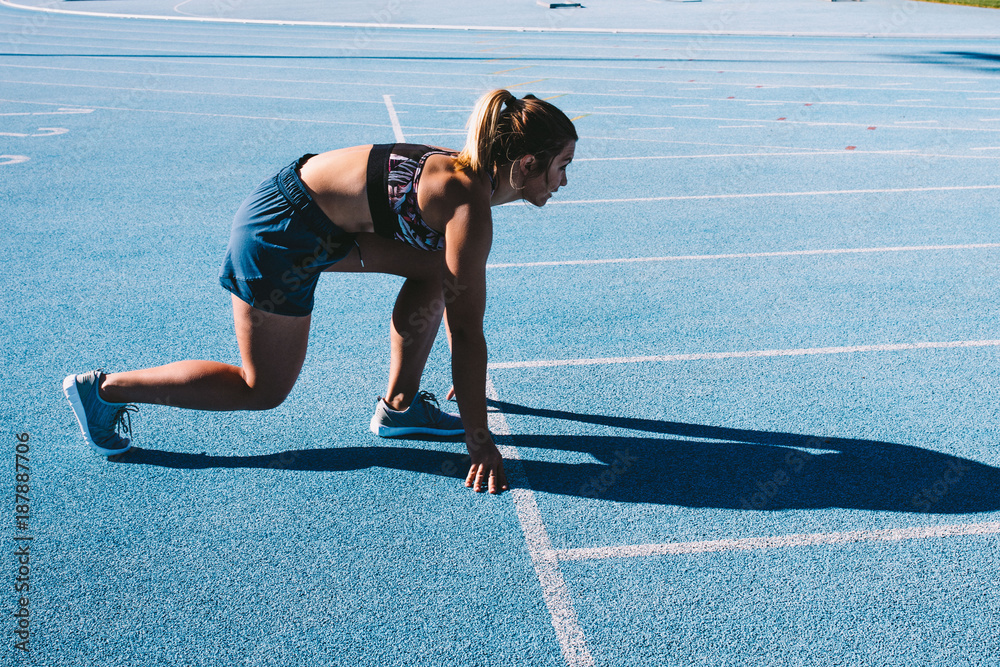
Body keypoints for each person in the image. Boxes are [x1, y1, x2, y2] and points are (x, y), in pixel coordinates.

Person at [63, 89, 577, 495]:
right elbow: (465, 333)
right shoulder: (468, 205)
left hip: (318, 226)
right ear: (526, 164)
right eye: (562, 166)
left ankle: (399, 408)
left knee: (433, 268)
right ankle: (104, 389)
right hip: (280, 233)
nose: (565, 181)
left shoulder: (466, 173)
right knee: (260, 389)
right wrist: (479, 438)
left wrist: (470, 401)